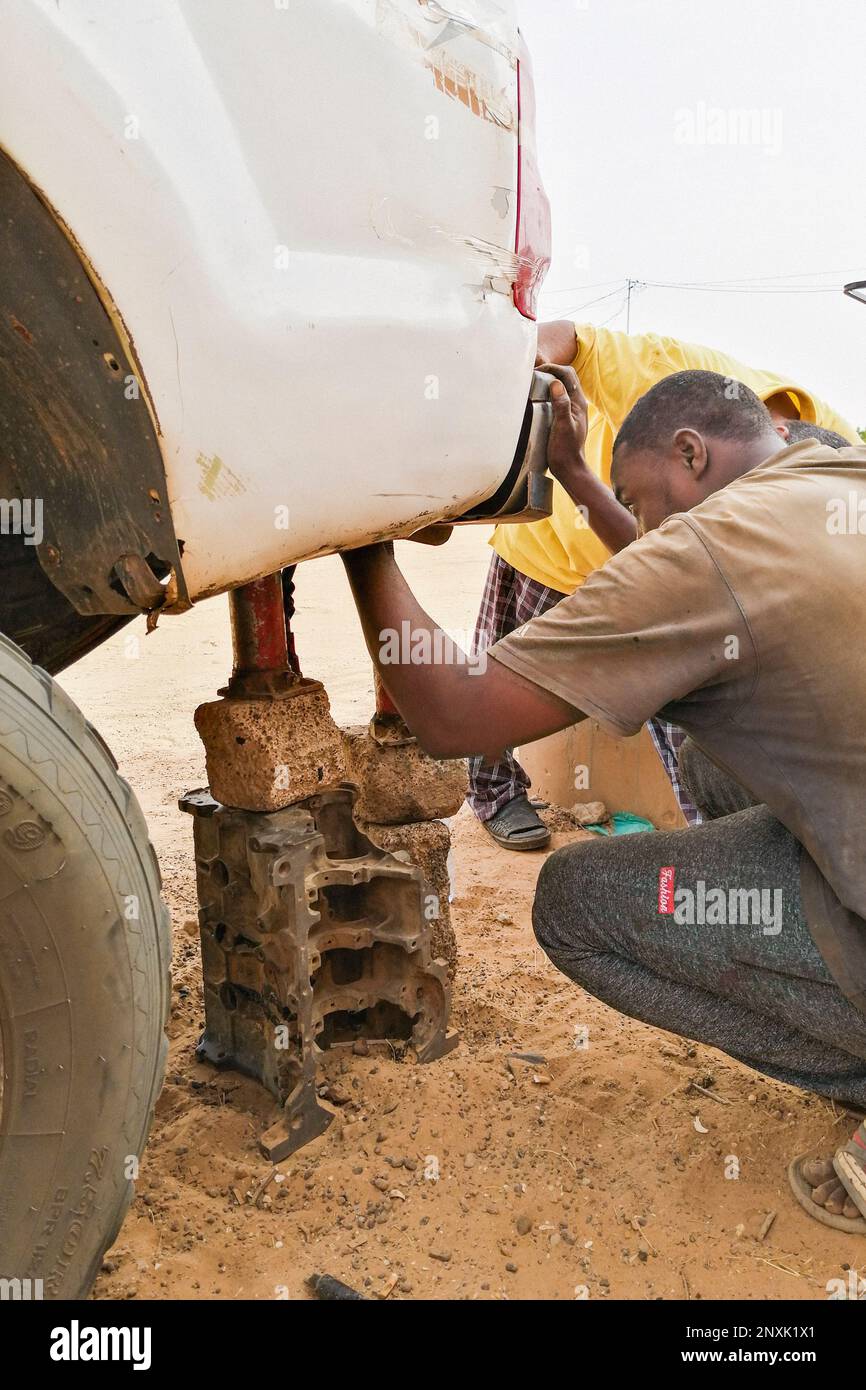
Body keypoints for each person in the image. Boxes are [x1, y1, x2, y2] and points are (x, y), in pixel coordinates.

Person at [341, 367, 866, 1231]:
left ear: (691, 453)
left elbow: (453, 714)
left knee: (578, 904)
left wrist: (363, 540)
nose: (646, 530)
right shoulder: (824, 469)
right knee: (707, 763)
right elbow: (688, 574)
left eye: (641, 501)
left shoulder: (711, 554)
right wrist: (584, 476)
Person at [468, 323, 859, 849]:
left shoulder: (835, 458)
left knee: (692, 711)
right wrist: (511, 378)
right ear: (694, 452)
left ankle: (718, 840)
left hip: (679, 590)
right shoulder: (663, 368)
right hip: (553, 550)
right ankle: (494, 791)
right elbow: (566, 337)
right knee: (503, 669)